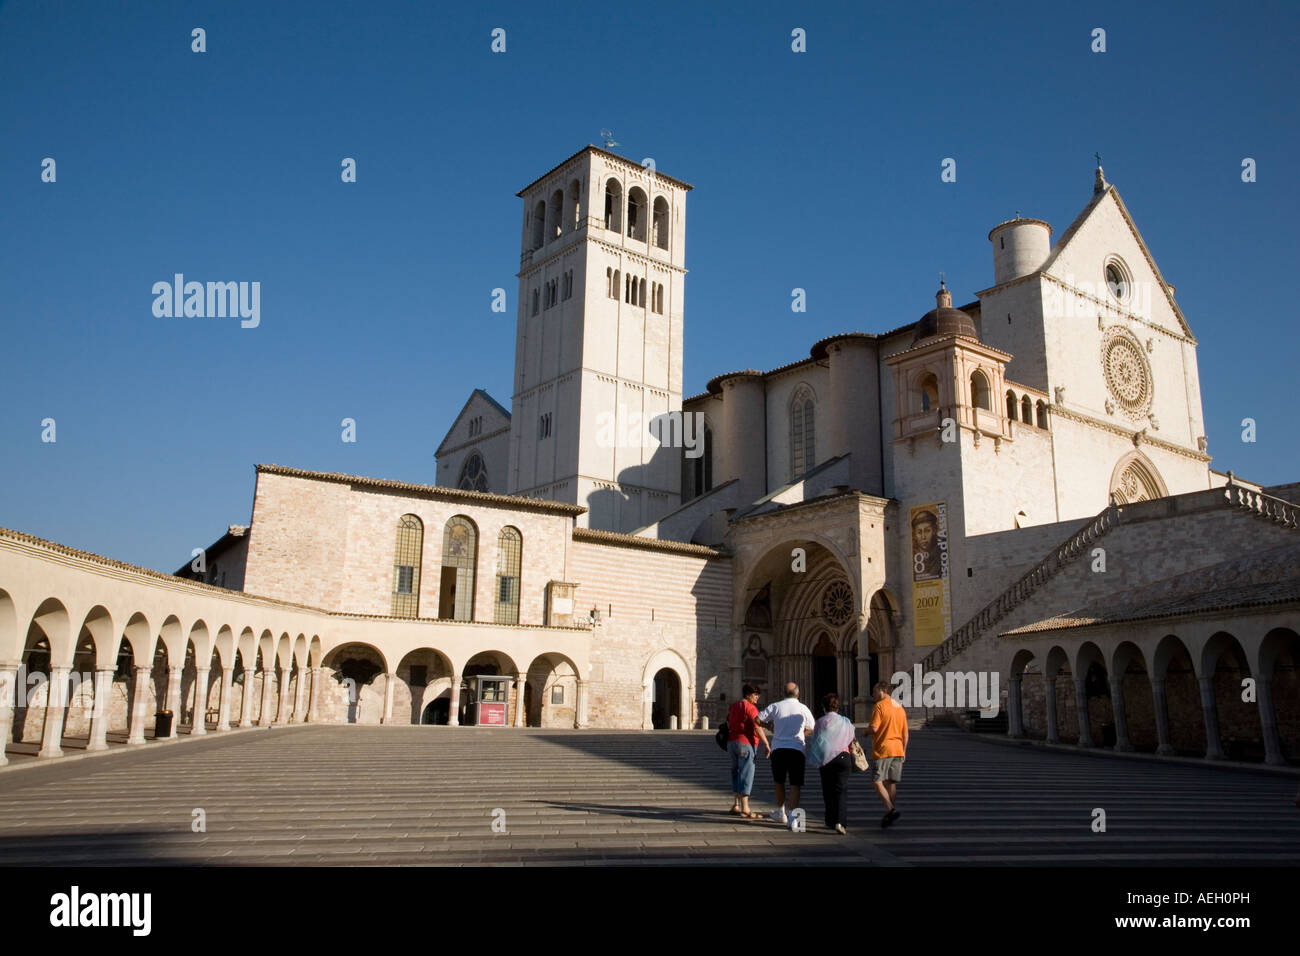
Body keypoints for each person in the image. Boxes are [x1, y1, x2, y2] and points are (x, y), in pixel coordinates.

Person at [757, 682, 815, 826]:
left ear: (783, 693)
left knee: (779, 781)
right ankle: (794, 819)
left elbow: (757, 719)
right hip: (797, 749)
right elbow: (812, 727)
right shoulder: (803, 708)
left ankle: (781, 812)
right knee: (795, 784)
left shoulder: (776, 706)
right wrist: (802, 733)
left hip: (778, 749)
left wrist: (768, 726)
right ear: (798, 693)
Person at [807, 692, 856, 834]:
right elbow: (851, 738)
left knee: (827, 790)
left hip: (826, 759)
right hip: (843, 758)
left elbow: (815, 740)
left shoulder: (821, 722)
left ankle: (830, 820)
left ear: (824, 707)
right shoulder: (846, 721)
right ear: (837, 707)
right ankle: (841, 822)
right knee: (841, 791)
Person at [865, 681, 908, 828]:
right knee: (891, 782)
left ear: (882, 690)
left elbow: (875, 728)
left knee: (877, 781)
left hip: (883, 749)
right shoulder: (899, 707)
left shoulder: (879, 706)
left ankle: (890, 809)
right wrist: (904, 751)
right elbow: (905, 733)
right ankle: (889, 812)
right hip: (898, 749)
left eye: (874, 691)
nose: (873, 694)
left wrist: (866, 731)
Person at [727, 684, 770, 819]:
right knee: (746, 773)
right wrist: (766, 743)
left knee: (736, 772)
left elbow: (728, 721)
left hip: (732, 742)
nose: (757, 697)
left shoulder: (734, 706)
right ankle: (745, 808)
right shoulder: (750, 708)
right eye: (755, 694)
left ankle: (736, 804)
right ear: (748, 695)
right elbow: (757, 727)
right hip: (746, 743)